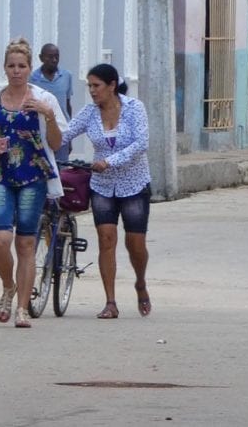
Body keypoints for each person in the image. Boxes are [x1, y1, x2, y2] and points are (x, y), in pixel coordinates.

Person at [0, 37, 67, 328]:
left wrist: (47, 116)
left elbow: (57, 142)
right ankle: (8, 285)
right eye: (11, 66)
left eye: (21, 66)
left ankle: (22, 308)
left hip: (32, 176)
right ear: (4, 68)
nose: (16, 71)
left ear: (29, 68)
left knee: (25, 243)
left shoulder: (44, 100)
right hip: (1, 175)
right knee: (1, 239)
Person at [61, 63, 152, 319]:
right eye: (89, 86)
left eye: (96, 85)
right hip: (102, 186)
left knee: (135, 243)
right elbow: (65, 134)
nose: (92, 91)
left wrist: (109, 161)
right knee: (106, 239)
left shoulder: (135, 108)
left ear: (112, 85)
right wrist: (46, 120)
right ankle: (110, 301)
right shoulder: (89, 113)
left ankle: (140, 282)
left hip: (133, 183)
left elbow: (141, 143)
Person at [30, 43, 74, 158]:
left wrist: (70, 137)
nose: (54, 60)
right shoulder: (32, 79)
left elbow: (68, 105)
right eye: (50, 57)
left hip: (61, 131)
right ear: (41, 58)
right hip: (40, 132)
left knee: (62, 169)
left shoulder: (66, 76)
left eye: (57, 56)